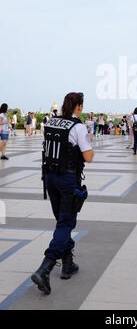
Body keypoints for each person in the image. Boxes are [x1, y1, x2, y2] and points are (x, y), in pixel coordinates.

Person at [31, 92, 94, 296]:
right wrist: (88, 140)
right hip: (68, 179)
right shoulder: (78, 127)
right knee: (66, 223)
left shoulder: (52, 123)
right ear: (79, 107)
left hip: (50, 178)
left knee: (61, 219)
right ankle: (45, 268)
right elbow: (89, 157)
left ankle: (67, 264)